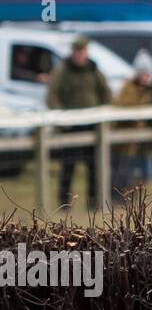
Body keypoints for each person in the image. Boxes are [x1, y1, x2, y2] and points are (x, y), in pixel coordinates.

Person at [46, 36, 112, 210]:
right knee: (68, 167)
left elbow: (106, 93)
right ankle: (65, 204)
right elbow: (52, 96)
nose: (80, 55)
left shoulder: (94, 70)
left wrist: (102, 114)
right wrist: (62, 118)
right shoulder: (62, 71)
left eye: (83, 51)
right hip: (71, 126)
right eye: (77, 52)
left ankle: (94, 203)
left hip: (92, 125)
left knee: (94, 167)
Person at [111, 50, 152, 198]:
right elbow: (124, 107)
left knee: (142, 174)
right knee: (122, 173)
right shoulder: (128, 88)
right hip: (125, 141)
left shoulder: (149, 91)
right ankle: (119, 200)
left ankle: (132, 199)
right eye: (143, 73)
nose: (145, 77)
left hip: (141, 142)